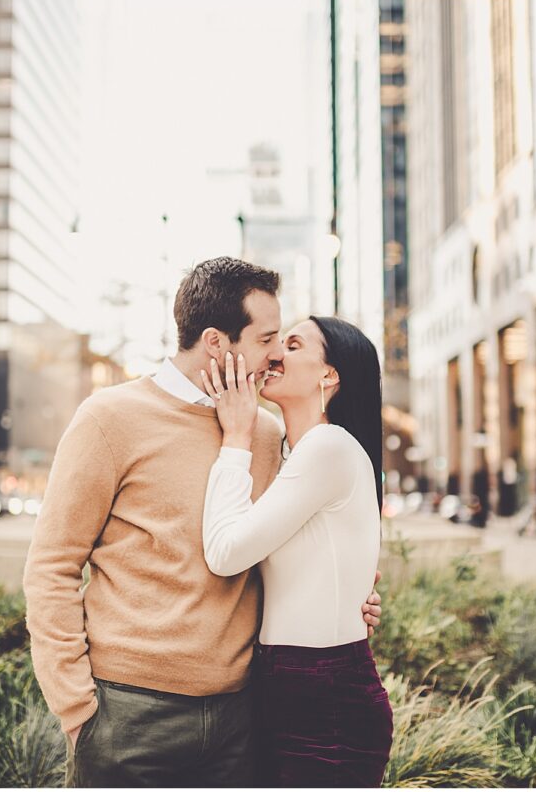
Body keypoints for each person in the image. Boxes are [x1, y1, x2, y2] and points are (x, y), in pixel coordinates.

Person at [23, 258, 381, 789]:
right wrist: (76, 707)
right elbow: (52, 567)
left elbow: (302, 538)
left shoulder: (268, 434)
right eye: (267, 340)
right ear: (217, 343)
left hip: (244, 717)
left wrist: (349, 598)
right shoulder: (109, 418)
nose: (276, 354)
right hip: (130, 716)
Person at [201, 315, 393, 788]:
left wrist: (236, 438)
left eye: (292, 344)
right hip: (291, 685)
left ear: (330, 375)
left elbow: (225, 553)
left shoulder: (327, 446)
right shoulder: (297, 454)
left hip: (327, 699)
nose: (274, 355)